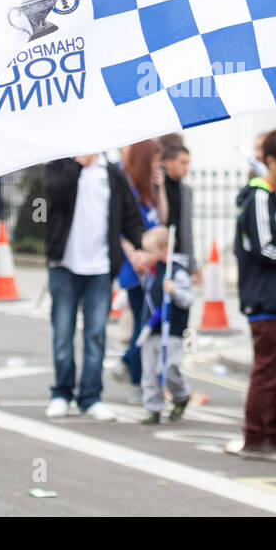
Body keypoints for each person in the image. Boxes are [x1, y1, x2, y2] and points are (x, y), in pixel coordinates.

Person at [43, 152, 150, 421]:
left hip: (100, 269)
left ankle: (91, 397)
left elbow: (130, 217)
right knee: (62, 335)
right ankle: (61, 394)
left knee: (96, 335)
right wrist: (76, 166)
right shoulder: (59, 165)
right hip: (64, 265)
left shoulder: (112, 173)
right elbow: (49, 199)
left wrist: (140, 247)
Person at [234, 127, 276, 461]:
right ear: (271, 161)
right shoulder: (260, 196)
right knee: (267, 371)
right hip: (266, 299)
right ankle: (256, 438)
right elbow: (265, 250)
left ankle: (274, 435)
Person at [117, 140, 168, 388]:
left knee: (148, 320)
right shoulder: (128, 187)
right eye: (154, 160)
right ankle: (136, 376)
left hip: (151, 262)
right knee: (142, 321)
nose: (158, 165)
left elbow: (163, 218)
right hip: (135, 265)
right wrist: (135, 256)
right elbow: (121, 229)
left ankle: (128, 363)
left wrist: (161, 189)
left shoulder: (151, 187)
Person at [135, 225, 193, 425]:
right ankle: (153, 408)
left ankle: (181, 395)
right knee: (150, 371)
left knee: (169, 368)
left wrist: (175, 291)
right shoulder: (151, 273)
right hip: (151, 329)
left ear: (164, 250)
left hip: (173, 330)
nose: (144, 255)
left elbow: (187, 299)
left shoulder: (176, 273)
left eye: (148, 251)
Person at [160, 140, 199, 282]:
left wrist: (193, 264)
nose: (187, 167)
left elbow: (187, 229)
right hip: (160, 257)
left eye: (188, 163)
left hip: (180, 257)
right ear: (169, 162)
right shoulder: (158, 186)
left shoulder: (185, 190)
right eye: (183, 162)